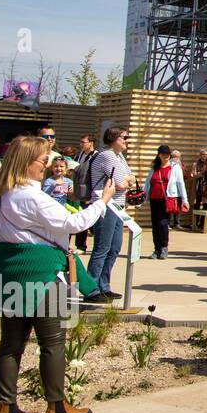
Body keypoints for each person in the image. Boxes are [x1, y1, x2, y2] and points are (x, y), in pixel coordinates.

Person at [0, 136, 115, 413]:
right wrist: (103, 201)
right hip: (42, 270)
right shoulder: (32, 196)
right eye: (42, 161)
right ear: (25, 162)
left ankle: (6, 410)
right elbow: (73, 224)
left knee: (10, 344)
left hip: (8, 269)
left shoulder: (0, 193)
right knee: (53, 342)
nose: (46, 166)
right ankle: (57, 406)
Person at [85, 126, 136, 302]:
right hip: (105, 205)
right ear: (114, 138)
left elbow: (131, 177)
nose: (127, 140)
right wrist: (127, 181)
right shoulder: (106, 155)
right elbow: (122, 184)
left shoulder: (119, 157)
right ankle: (90, 288)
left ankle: (103, 286)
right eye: (124, 137)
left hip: (118, 207)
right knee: (102, 247)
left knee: (114, 248)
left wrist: (127, 180)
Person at [144, 144, 188, 260]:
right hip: (154, 198)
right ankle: (156, 248)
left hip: (167, 199)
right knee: (155, 224)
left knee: (163, 223)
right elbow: (148, 183)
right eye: (163, 154)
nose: (166, 156)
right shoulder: (154, 167)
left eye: (168, 154)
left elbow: (180, 184)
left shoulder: (175, 167)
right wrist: (143, 196)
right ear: (158, 155)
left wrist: (185, 200)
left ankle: (164, 247)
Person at [70, 135, 97, 249]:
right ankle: (78, 245)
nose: (81, 144)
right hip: (79, 188)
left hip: (88, 191)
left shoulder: (96, 156)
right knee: (79, 216)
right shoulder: (80, 155)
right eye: (80, 142)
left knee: (87, 219)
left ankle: (82, 246)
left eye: (83, 142)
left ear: (91, 143)